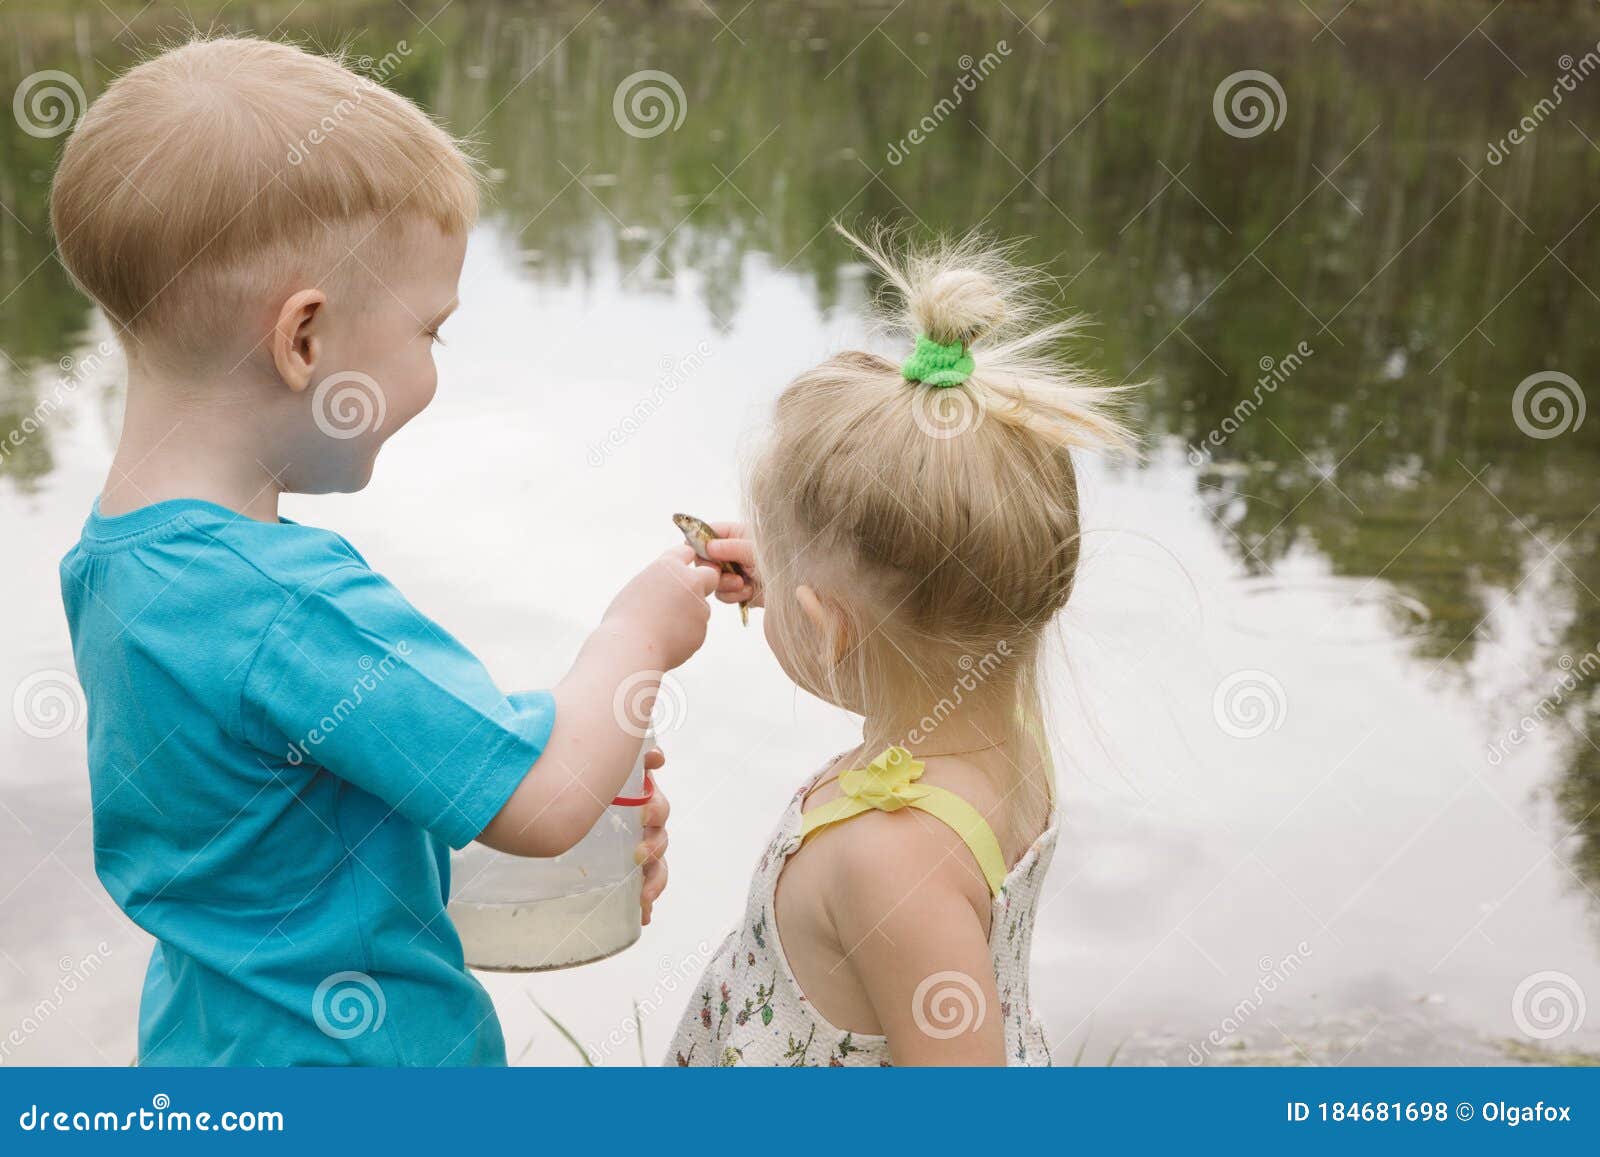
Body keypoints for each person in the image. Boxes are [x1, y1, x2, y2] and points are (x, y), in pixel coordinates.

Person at [50, 36, 718, 1065]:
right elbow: (540, 806)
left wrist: (527, 775)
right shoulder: (290, 600)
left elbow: (276, 826)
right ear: (305, 339)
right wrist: (632, 639)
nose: (432, 367)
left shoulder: (115, 563)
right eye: (429, 333)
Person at [672, 226, 1131, 1065]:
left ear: (830, 626)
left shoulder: (892, 864)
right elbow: (938, 599)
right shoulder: (1002, 730)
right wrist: (797, 579)